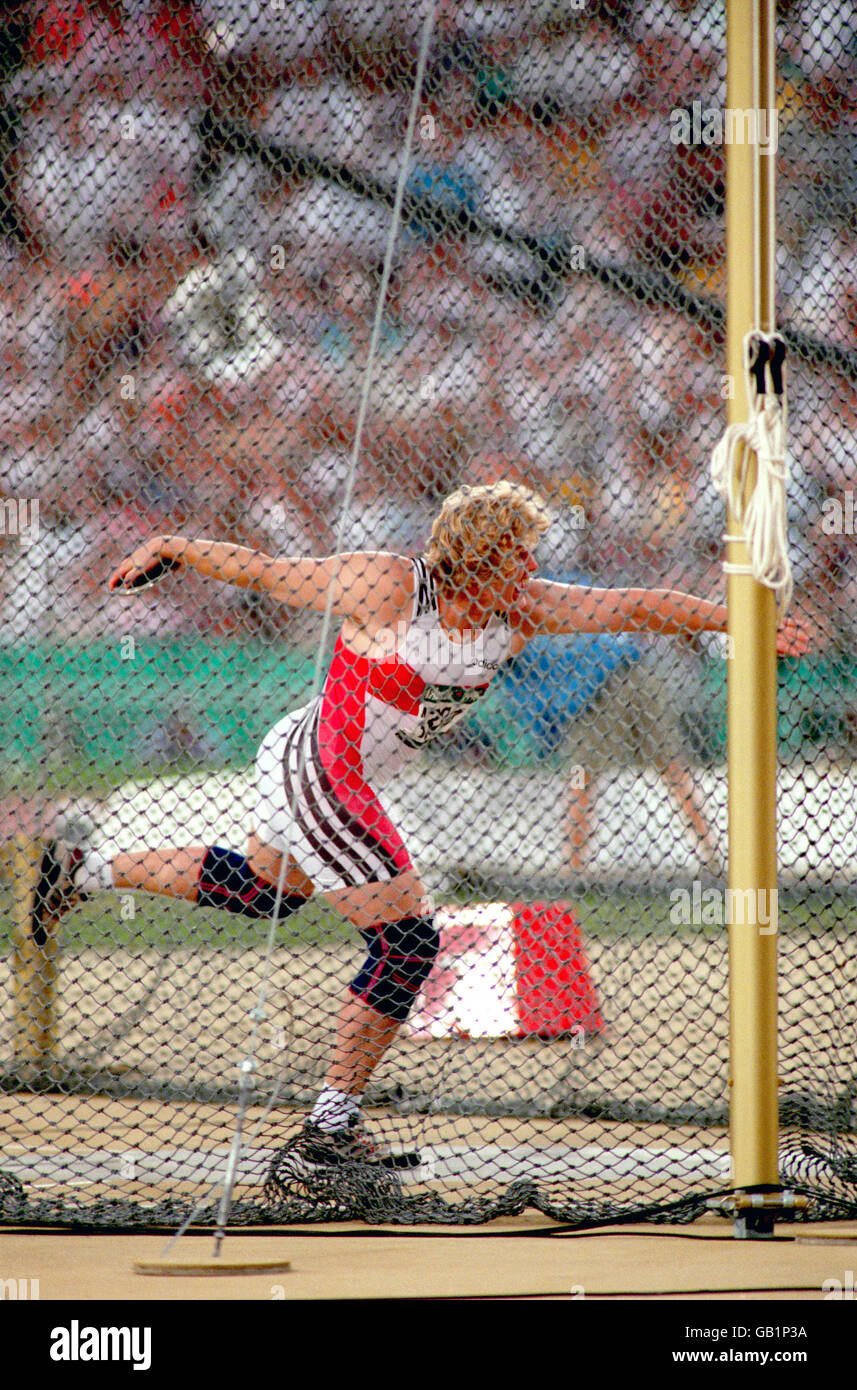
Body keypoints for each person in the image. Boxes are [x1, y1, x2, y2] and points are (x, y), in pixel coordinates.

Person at [29, 482, 810, 1172]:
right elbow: (268, 572)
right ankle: (330, 1126)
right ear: (477, 555)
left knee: (268, 894)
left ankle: (80, 871)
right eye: (518, 553)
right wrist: (172, 547)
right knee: (407, 943)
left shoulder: (522, 608)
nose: (531, 567)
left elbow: (636, 604)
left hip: (331, 771)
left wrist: (740, 623)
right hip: (320, 767)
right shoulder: (390, 585)